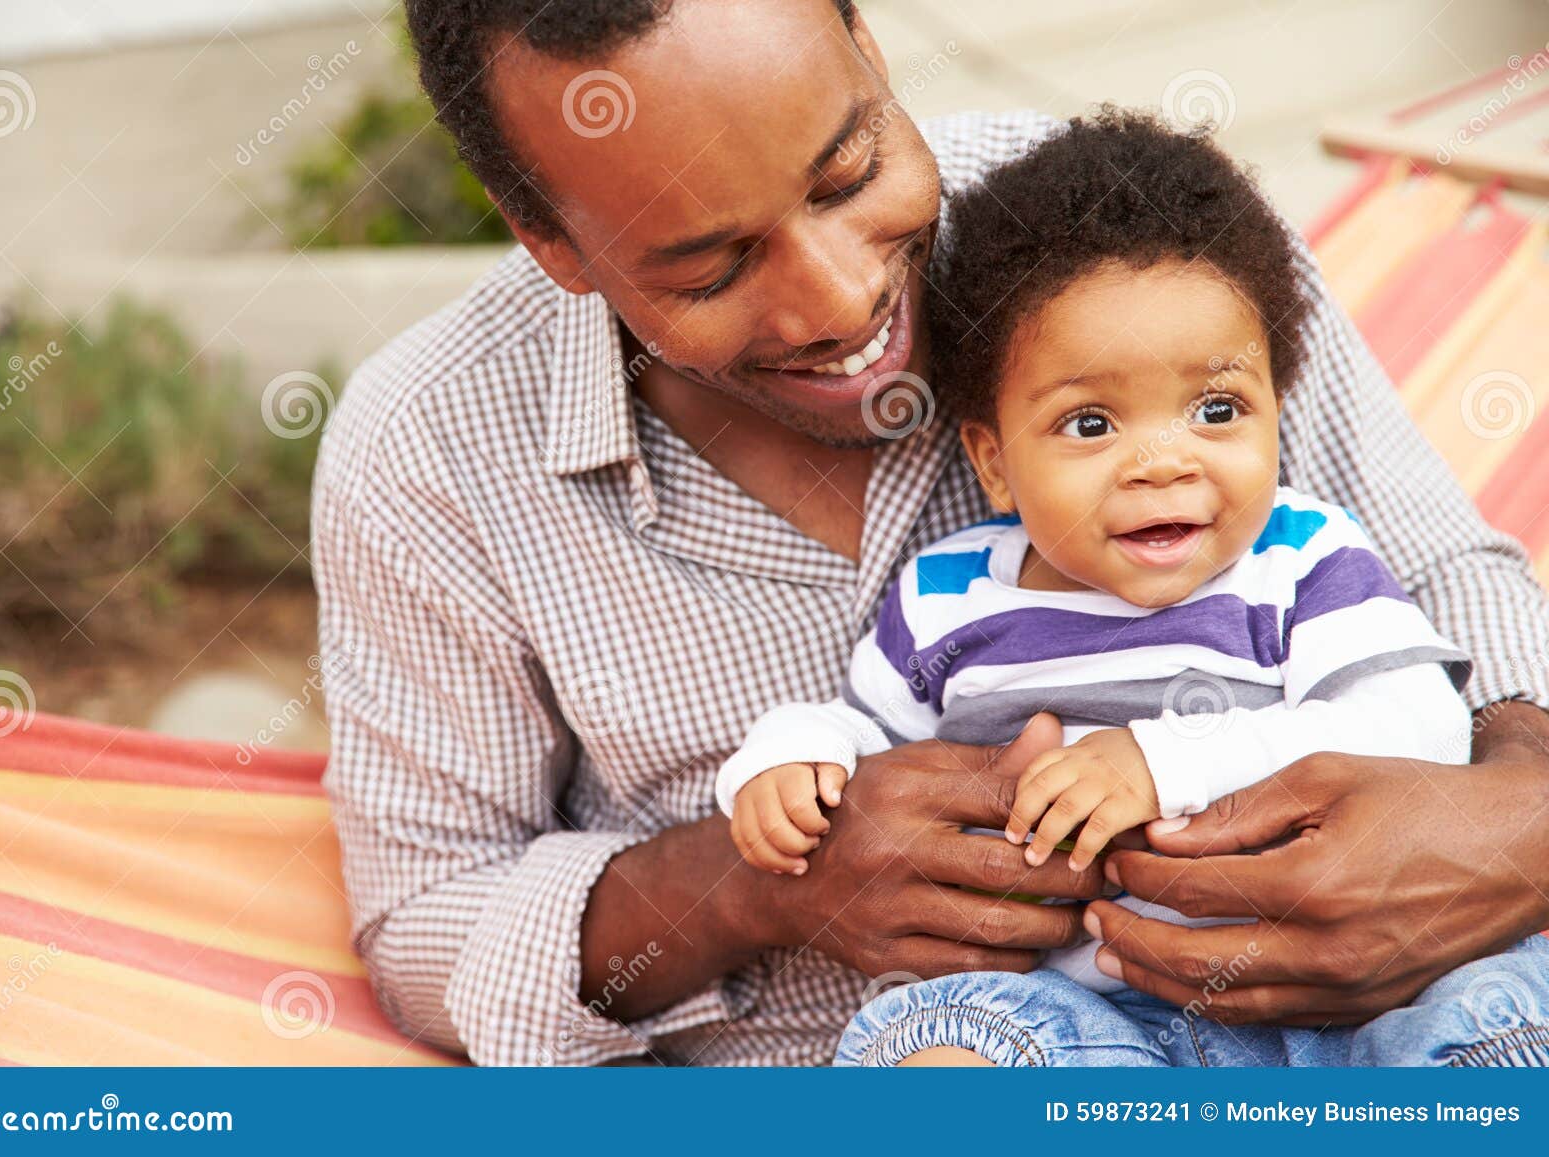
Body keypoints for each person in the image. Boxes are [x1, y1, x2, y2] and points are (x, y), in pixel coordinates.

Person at [313, 0, 1549, 1065]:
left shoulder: (1144, 245)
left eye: (849, 177)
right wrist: (751, 888)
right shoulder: (430, 448)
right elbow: (427, 913)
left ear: (868, 44)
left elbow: (1443, 578)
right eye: (709, 265)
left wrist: (1520, 823)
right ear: (548, 241)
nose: (841, 297)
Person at [718, 111, 1549, 1066]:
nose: (1163, 462)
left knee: (1492, 1018)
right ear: (993, 463)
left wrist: (1169, 759)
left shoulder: (1300, 555)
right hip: (1086, 1023)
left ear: (1281, 413)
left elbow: (1421, 723)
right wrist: (791, 758)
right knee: (937, 1049)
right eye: (1089, 424)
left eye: (1217, 409)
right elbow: (862, 736)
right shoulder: (947, 597)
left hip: (1355, 999)